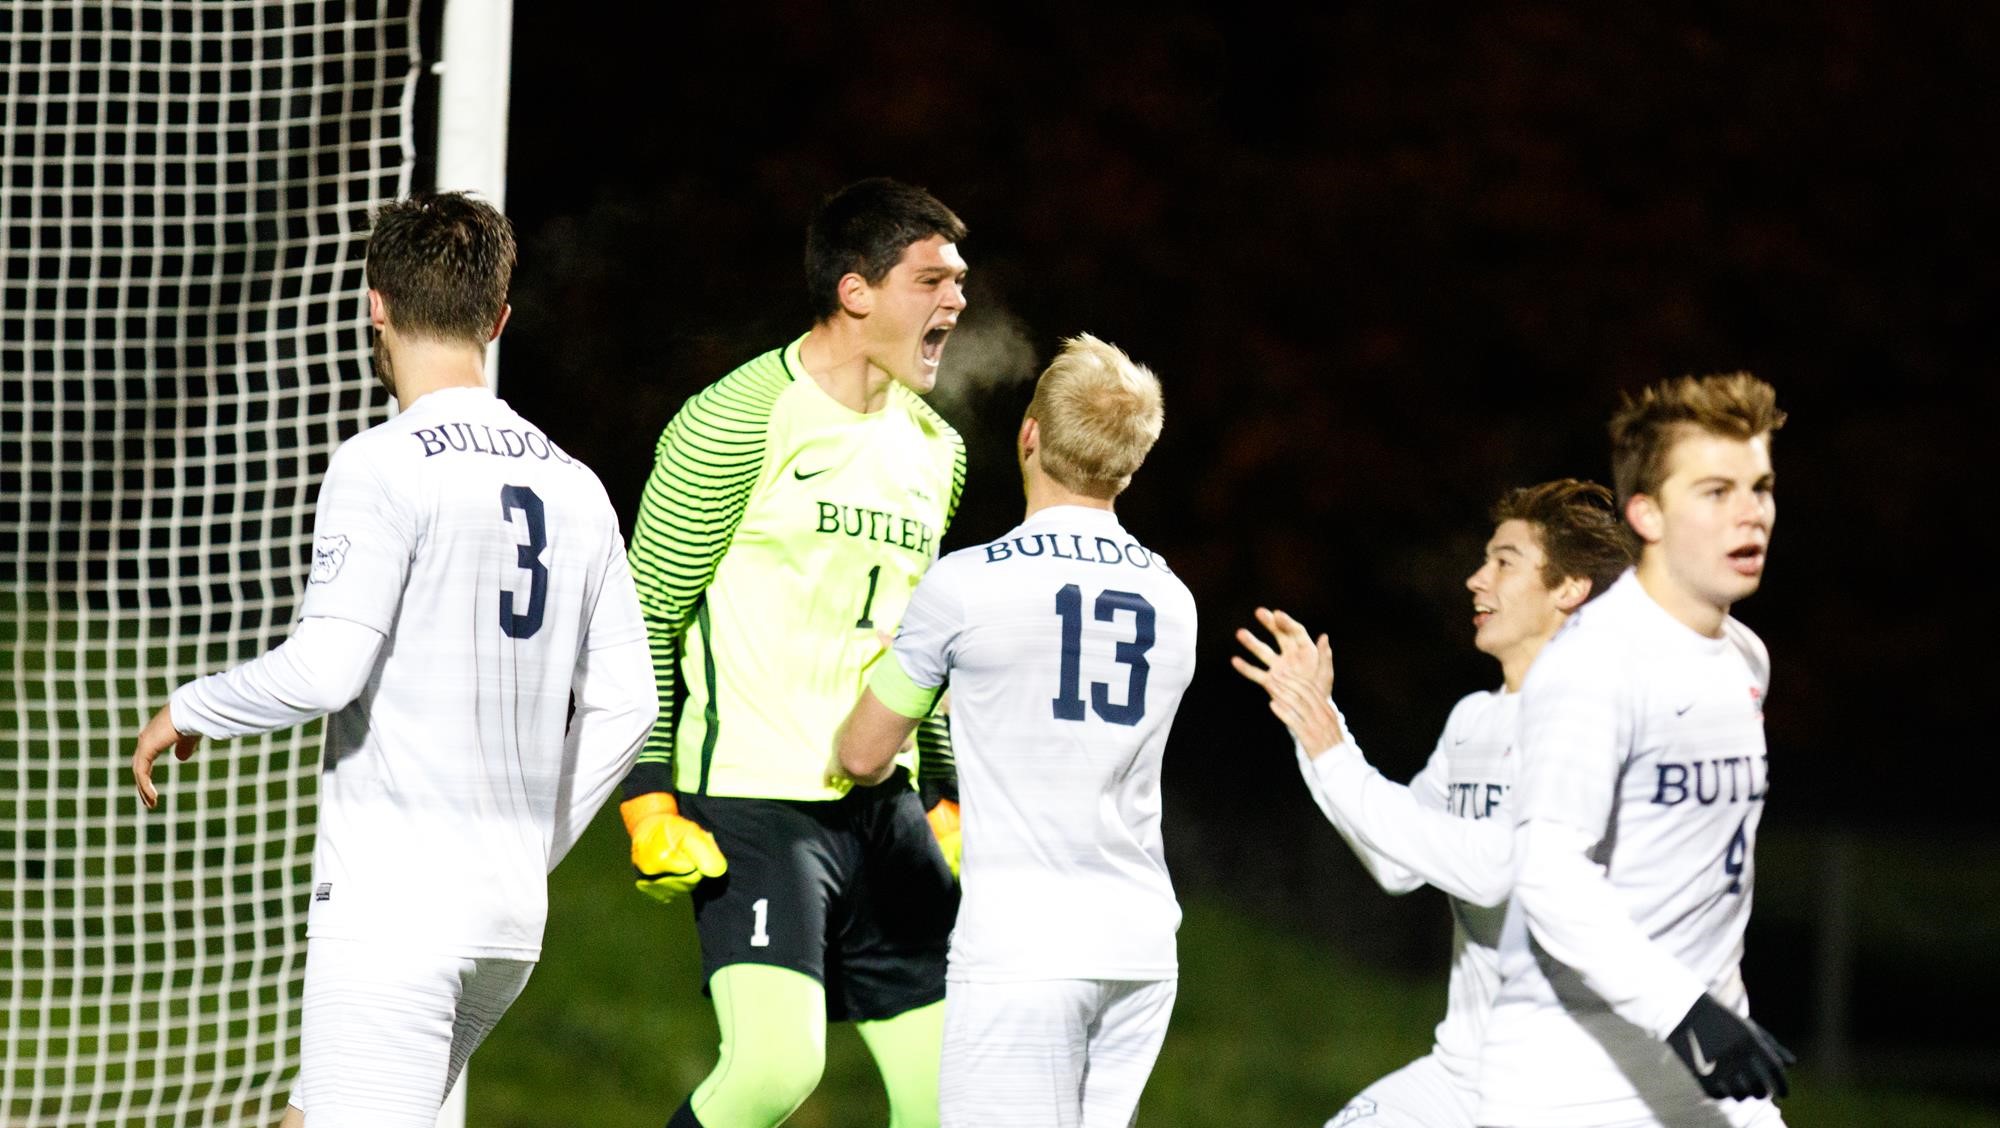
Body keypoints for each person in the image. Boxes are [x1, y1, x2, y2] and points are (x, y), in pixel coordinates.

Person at [130, 192, 656, 1127]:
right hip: (503, 923)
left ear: (375, 304)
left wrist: (195, 704)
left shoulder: (383, 462)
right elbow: (628, 705)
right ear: (496, 318)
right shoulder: (576, 484)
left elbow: (329, 665)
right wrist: (532, 846)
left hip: (397, 911)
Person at [620, 177, 970, 1128]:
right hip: (754, 799)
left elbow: (919, 638)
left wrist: (942, 789)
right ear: (855, 293)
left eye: (960, 280)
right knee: (775, 1072)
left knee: (960, 1094)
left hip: (884, 806)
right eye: (931, 279)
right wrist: (646, 791)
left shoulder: (938, 448)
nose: (957, 300)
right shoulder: (735, 417)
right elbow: (647, 611)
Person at [839, 333, 1198, 1128]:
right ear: (1131, 462)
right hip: (1139, 948)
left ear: (1029, 433)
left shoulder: (966, 586)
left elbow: (861, 754)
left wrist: (893, 667)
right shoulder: (1175, 601)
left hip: (1026, 949)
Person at [1232, 478, 1634, 1128]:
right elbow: (1399, 861)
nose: (1477, 580)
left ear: (1569, 587)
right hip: (1463, 1075)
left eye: (1504, 563)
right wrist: (1317, 727)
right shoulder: (1474, 720)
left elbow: (1493, 869)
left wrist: (1334, 753)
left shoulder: (1594, 725)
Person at [1478, 372, 1793, 1128]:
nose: (1751, 515)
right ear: (1645, 513)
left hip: (1704, 1071)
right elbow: (1550, 874)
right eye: (1716, 492)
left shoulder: (1745, 658)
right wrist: (1685, 1008)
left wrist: (1707, 1014)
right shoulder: (1593, 666)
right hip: (1572, 1087)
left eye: (1761, 487)